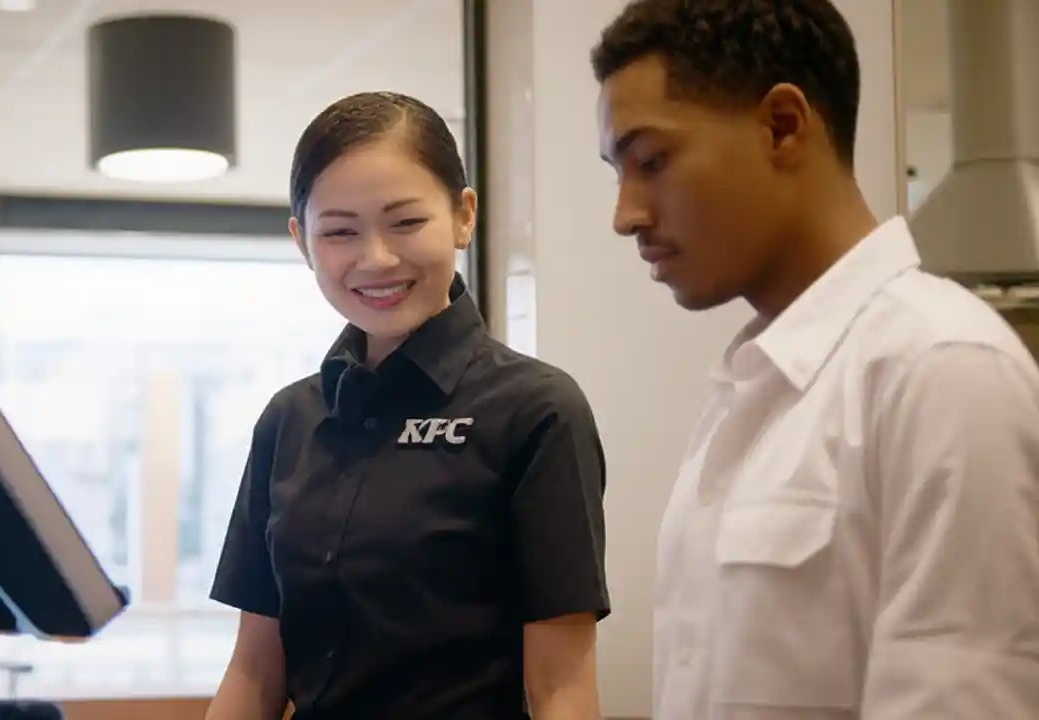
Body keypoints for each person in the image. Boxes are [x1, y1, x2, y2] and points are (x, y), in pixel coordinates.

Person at [590, 1, 1039, 718]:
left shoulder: (940, 371)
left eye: (651, 161)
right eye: (620, 173)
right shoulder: (750, 391)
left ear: (782, 126)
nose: (627, 214)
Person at [205, 91, 610, 720]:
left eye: (406, 222)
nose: (377, 259)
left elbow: (561, 689)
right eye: (339, 231)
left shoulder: (535, 410)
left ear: (464, 215)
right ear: (302, 241)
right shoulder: (289, 421)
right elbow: (255, 674)